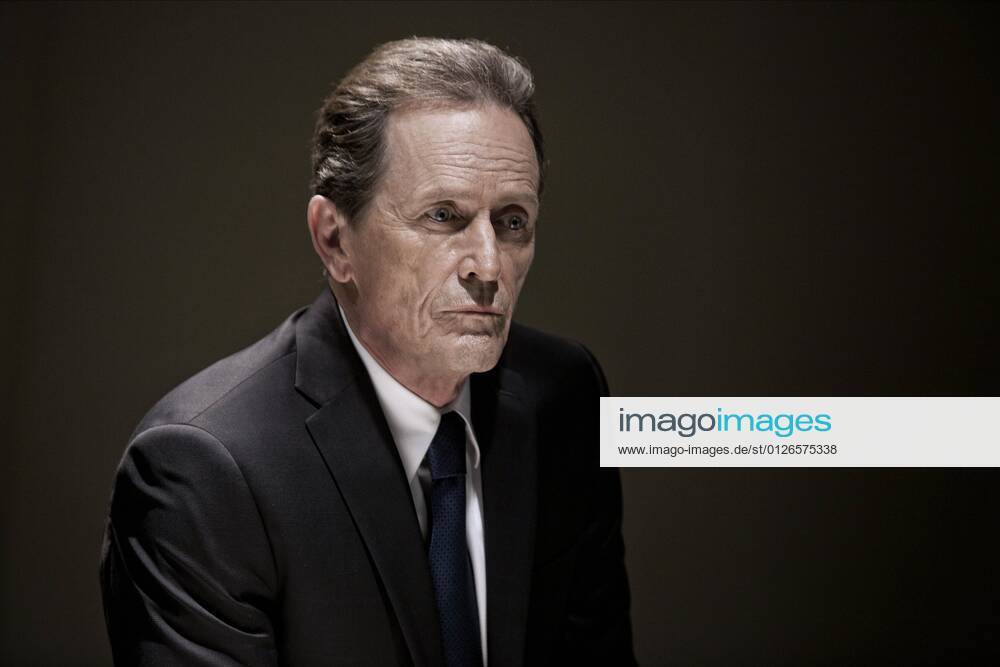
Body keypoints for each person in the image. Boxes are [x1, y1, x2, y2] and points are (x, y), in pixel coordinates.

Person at [99, 37, 635, 666]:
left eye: (512, 221)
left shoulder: (565, 395)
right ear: (335, 241)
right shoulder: (203, 469)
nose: (489, 267)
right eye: (443, 217)